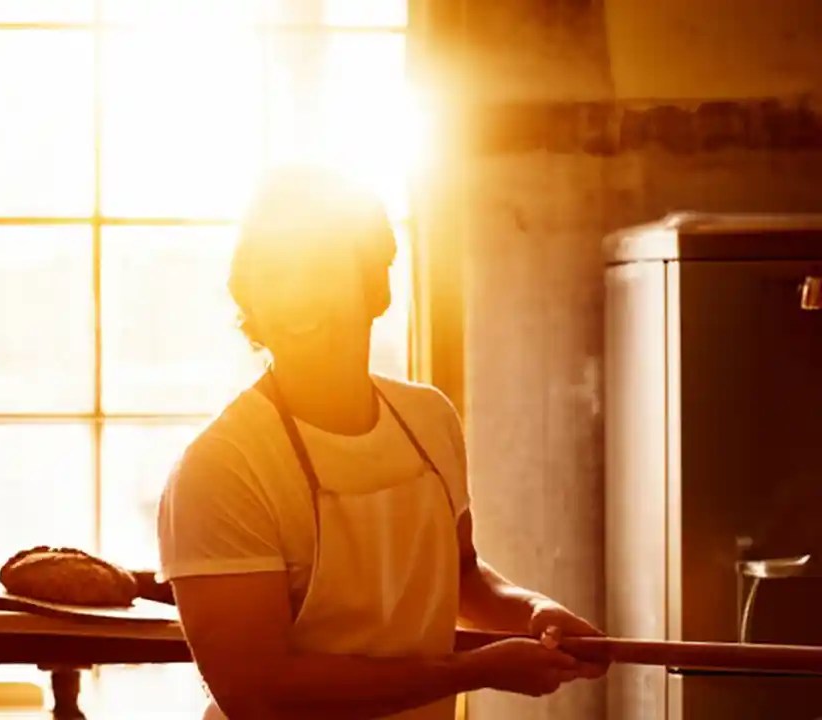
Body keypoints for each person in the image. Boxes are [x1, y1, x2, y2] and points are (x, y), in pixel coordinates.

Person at [156, 166, 607, 719]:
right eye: (274, 275)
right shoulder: (222, 466)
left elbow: (462, 574)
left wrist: (534, 612)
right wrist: (477, 670)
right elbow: (260, 693)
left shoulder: (427, 418)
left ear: (374, 286)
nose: (295, 298)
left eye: (320, 270)